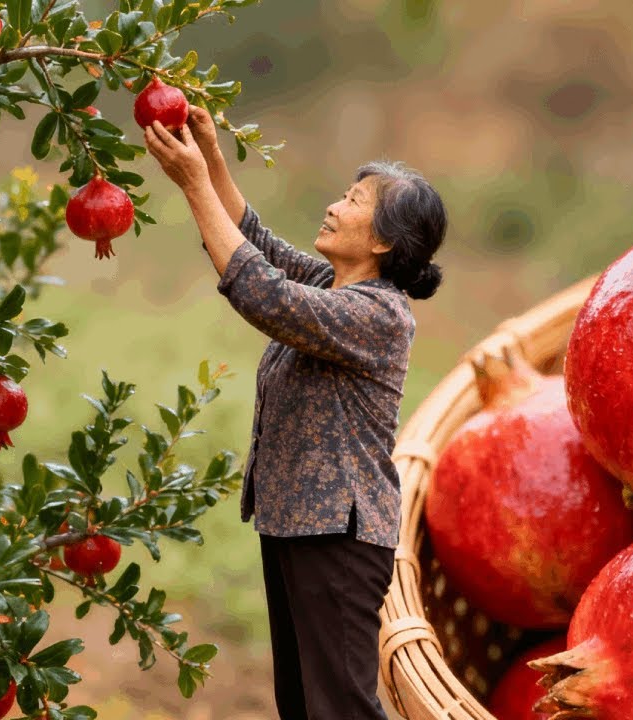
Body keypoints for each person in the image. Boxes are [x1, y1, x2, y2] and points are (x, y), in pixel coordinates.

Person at [144, 106, 446, 719]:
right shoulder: (334, 286)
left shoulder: (379, 315)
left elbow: (263, 293)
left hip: (338, 533)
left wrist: (194, 183)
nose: (334, 206)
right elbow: (254, 244)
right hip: (297, 524)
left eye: (354, 200)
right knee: (303, 707)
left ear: (384, 240)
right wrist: (213, 162)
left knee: (339, 708)